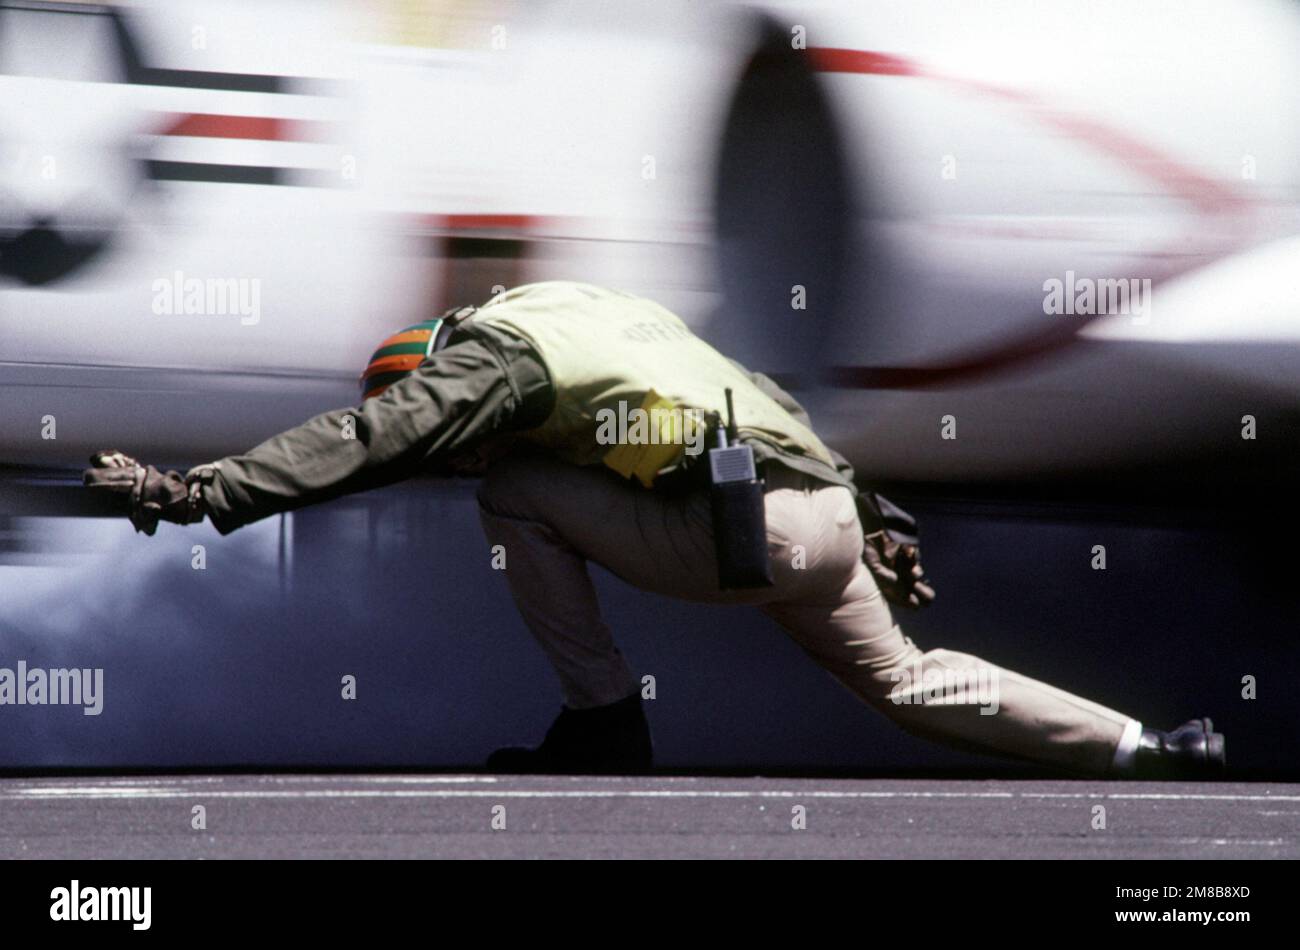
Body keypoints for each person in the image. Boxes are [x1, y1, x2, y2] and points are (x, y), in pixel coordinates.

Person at [84, 280, 1225, 778]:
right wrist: (870, 517)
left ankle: (603, 723)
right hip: (818, 508)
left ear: (434, 365)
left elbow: (371, 439)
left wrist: (203, 493)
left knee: (518, 492)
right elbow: (757, 398)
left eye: (452, 420)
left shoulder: (492, 361)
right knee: (909, 682)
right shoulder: (605, 313)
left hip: (751, 534)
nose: (462, 441)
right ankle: (1144, 747)